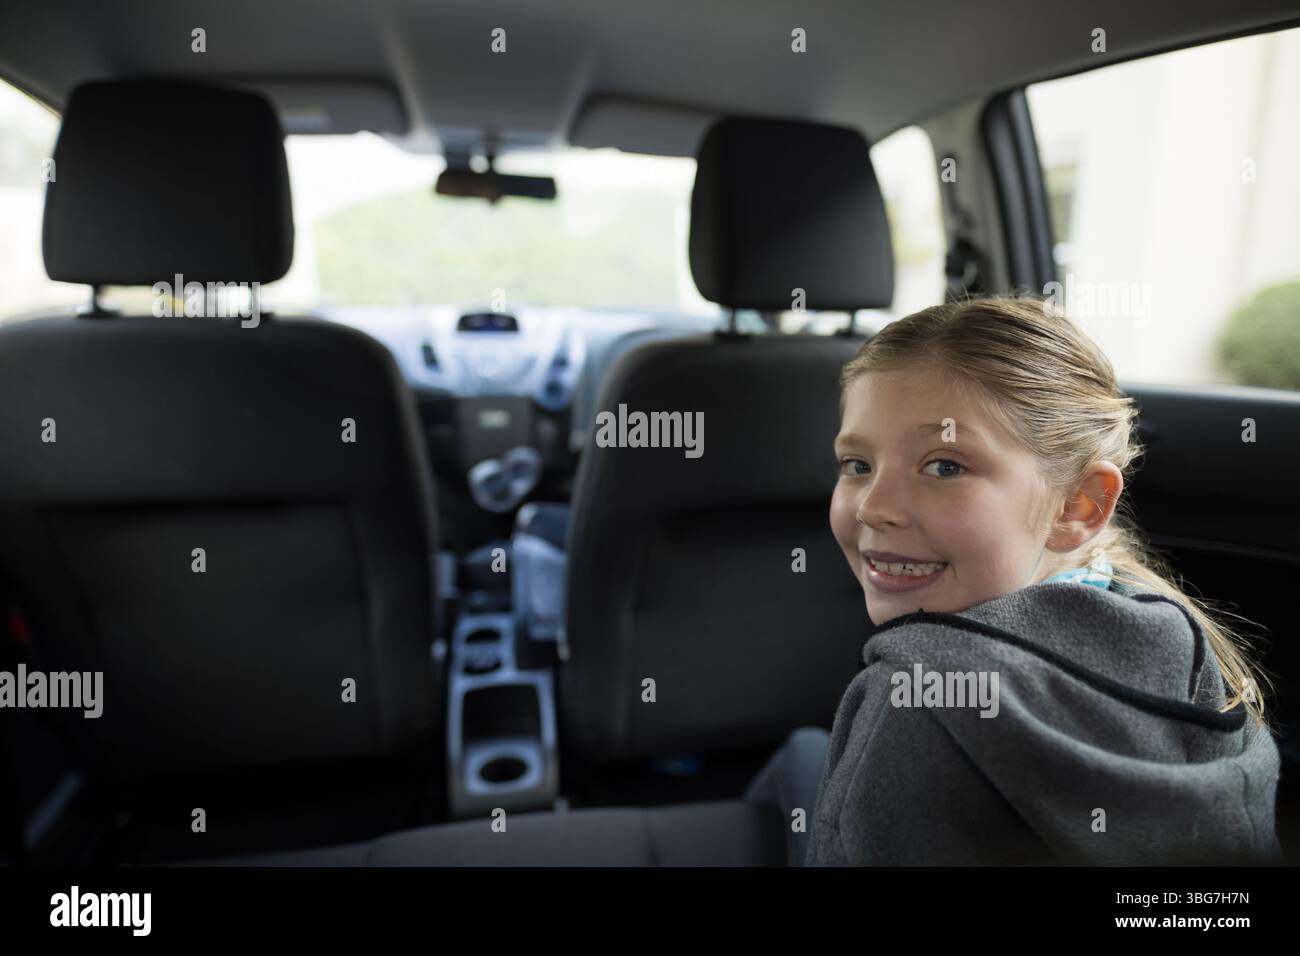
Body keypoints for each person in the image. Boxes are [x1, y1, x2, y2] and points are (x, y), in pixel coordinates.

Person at [750, 295, 1283, 866]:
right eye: (858, 465)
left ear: (1077, 505)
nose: (874, 508)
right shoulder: (1176, 634)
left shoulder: (914, 702)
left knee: (793, 764)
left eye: (945, 466)